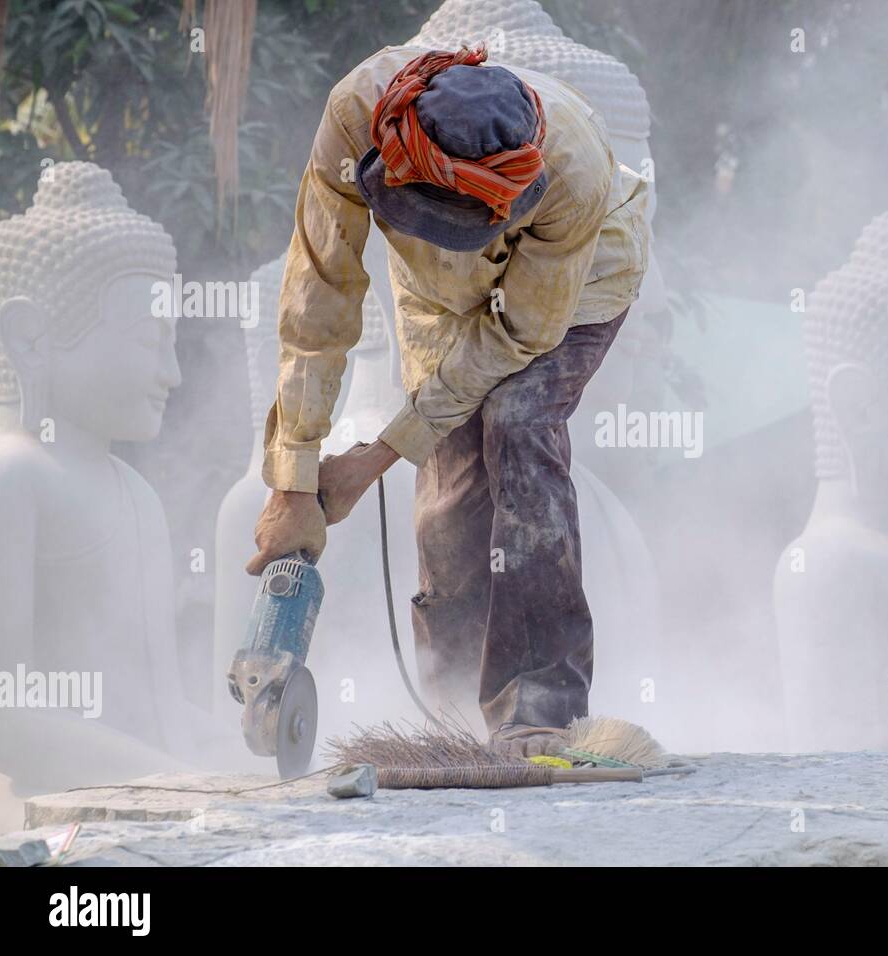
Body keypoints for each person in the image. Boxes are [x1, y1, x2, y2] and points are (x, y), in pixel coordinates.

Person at [245, 43, 650, 757]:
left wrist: (374, 456)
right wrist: (293, 481)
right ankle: (457, 712)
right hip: (437, 302)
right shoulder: (354, 116)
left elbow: (517, 335)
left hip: (568, 292)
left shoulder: (574, 173)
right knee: (450, 492)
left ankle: (539, 710)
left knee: (517, 423)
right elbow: (320, 296)